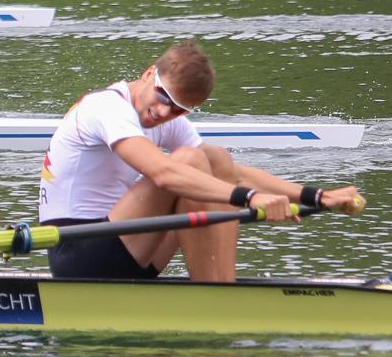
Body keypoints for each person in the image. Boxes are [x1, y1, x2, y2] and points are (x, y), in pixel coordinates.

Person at [39, 41, 365, 282]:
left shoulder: (166, 119)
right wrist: (251, 199)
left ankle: (220, 286)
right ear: (149, 73)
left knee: (215, 157)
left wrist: (317, 196)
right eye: (164, 97)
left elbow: (232, 174)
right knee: (190, 161)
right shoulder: (106, 108)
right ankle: (216, 296)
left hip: (129, 243)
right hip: (75, 251)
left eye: (180, 109)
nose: (166, 112)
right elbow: (164, 173)